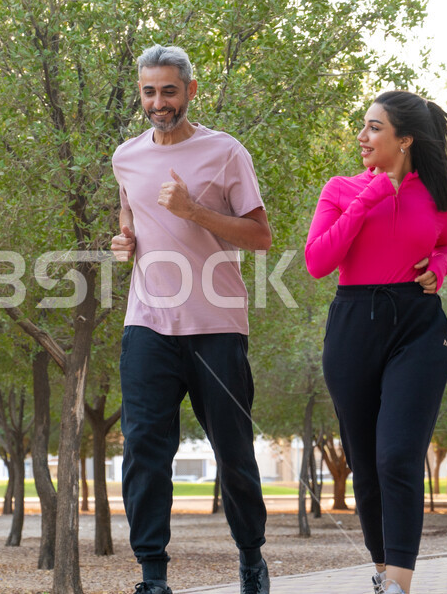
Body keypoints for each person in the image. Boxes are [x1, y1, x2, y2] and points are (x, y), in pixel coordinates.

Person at [110, 44, 272, 594]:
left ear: (190, 91)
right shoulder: (125, 157)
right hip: (147, 325)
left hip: (215, 326)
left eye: (169, 91)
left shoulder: (225, 152)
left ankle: (251, 557)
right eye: (149, 92)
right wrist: (123, 242)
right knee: (144, 452)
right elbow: (130, 218)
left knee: (233, 451)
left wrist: (193, 211)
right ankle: (152, 577)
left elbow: (260, 237)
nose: (159, 102)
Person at [304, 91, 447, 594]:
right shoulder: (341, 189)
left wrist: (439, 268)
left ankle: (399, 583)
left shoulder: (440, 196)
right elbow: (317, 262)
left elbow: (445, 243)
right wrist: (369, 197)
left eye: (374, 127)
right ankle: (382, 572)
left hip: (418, 327)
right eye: (364, 126)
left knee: (398, 456)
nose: (362, 135)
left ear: (405, 139)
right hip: (354, 324)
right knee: (366, 463)